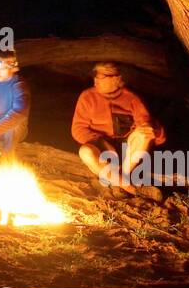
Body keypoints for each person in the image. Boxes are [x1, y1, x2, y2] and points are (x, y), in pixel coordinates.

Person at [71, 62, 165, 201]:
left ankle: (121, 179)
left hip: (127, 151)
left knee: (143, 134)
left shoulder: (131, 98)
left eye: (101, 76)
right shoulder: (87, 97)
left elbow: (147, 125)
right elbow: (78, 129)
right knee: (85, 152)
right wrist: (100, 141)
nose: (95, 79)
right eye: (95, 75)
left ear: (116, 79)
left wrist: (150, 128)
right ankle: (129, 186)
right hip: (102, 149)